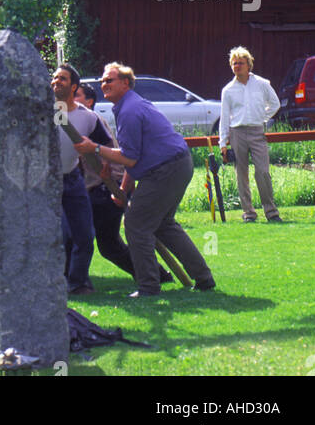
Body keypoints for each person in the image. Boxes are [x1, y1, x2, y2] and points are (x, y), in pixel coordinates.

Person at [74, 62, 215, 298]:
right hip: (176, 165)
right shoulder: (128, 106)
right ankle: (203, 278)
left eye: (109, 80)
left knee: (136, 224)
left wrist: (94, 148)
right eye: (102, 81)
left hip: (165, 169)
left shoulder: (130, 110)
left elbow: (129, 158)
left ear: (125, 83)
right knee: (164, 225)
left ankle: (149, 286)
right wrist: (123, 188)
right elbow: (136, 157)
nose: (103, 84)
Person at [219, 47, 282, 223]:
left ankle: (271, 212)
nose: (237, 66)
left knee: (262, 172)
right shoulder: (228, 90)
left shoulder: (262, 84)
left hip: (257, 131)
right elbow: (224, 118)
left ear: (249, 65)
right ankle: (249, 213)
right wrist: (223, 143)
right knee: (241, 175)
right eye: (234, 63)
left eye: (240, 63)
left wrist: (262, 117)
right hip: (237, 133)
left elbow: (275, 104)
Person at [51, 64, 95, 296]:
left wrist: (105, 168)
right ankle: (53, 284)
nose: (56, 82)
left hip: (73, 179)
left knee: (85, 236)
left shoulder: (87, 117)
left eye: (63, 79)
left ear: (74, 86)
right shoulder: (42, 113)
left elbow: (104, 145)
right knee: (56, 236)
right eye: (55, 78)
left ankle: (77, 283)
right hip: (46, 182)